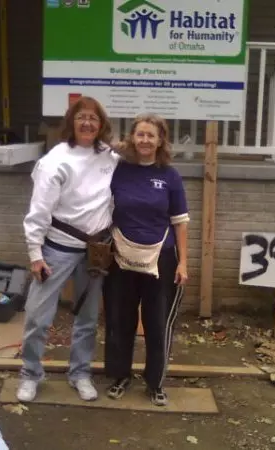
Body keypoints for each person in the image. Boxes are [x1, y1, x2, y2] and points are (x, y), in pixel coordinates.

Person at [17, 96, 119, 403]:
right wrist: (35, 254)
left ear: (101, 125)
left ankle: (80, 373)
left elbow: (135, 150)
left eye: (93, 118)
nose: (87, 123)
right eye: (81, 117)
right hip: (57, 249)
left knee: (87, 318)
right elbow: (38, 212)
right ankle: (30, 374)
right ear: (71, 123)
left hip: (96, 251)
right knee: (38, 315)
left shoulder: (110, 156)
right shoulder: (54, 161)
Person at [103, 113, 189, 407]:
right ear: (132, 137)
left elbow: (180, 221)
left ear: (161, 140)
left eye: (151, 135)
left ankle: (155, 383)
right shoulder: (118, 170)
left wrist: (183, 263)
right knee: (120, 320)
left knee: (156, 324)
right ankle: (119, 377)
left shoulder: (170, 175)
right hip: (121, 259)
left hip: (161, 260)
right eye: (140, 134)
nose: (145, 140)